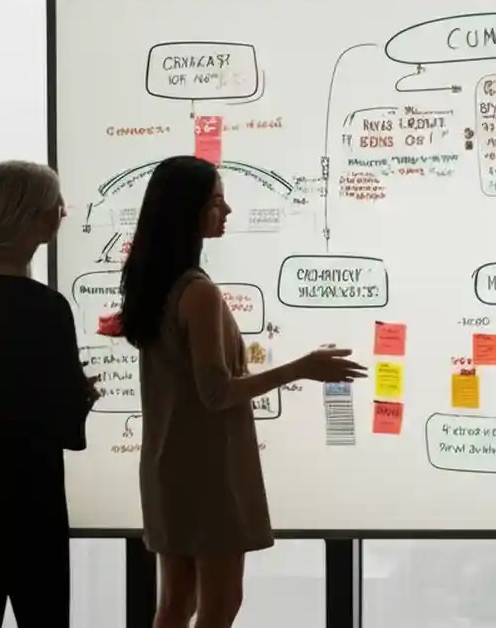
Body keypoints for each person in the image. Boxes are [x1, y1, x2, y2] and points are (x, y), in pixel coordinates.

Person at [119, 156, 366, 628]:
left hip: (168, 464)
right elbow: (216, 393)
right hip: (208, 469)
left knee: (175, 603)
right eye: (216, 201)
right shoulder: (199, 293)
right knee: (219, 604)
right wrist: (303, 367)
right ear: (188, 210)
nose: (227, 210)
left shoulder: (156, 287)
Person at [0, 160, 100, 627]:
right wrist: (83, 396)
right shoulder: (47, 309)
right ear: (37, 217)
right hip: (30, 497)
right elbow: (63, 422)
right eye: (58, 205)